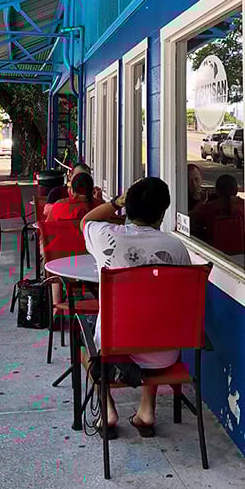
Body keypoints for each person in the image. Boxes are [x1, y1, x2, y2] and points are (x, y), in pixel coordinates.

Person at [81, 177, 191, 437]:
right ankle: (146, 410)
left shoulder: (106, 236)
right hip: (164, 354)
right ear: (163, 212)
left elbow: (86, 221)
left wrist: (116, 202)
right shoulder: (176, 247)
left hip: (113, 348)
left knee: (84, 342)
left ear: (127, 208)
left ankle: (107, 409)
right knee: (154, 315)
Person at [191, 174, 244, 249]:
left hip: (216, 251)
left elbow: (189, 220)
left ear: (217, 191)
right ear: (236, 190)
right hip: (241, 250)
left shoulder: (209, 208)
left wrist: (202, 201)